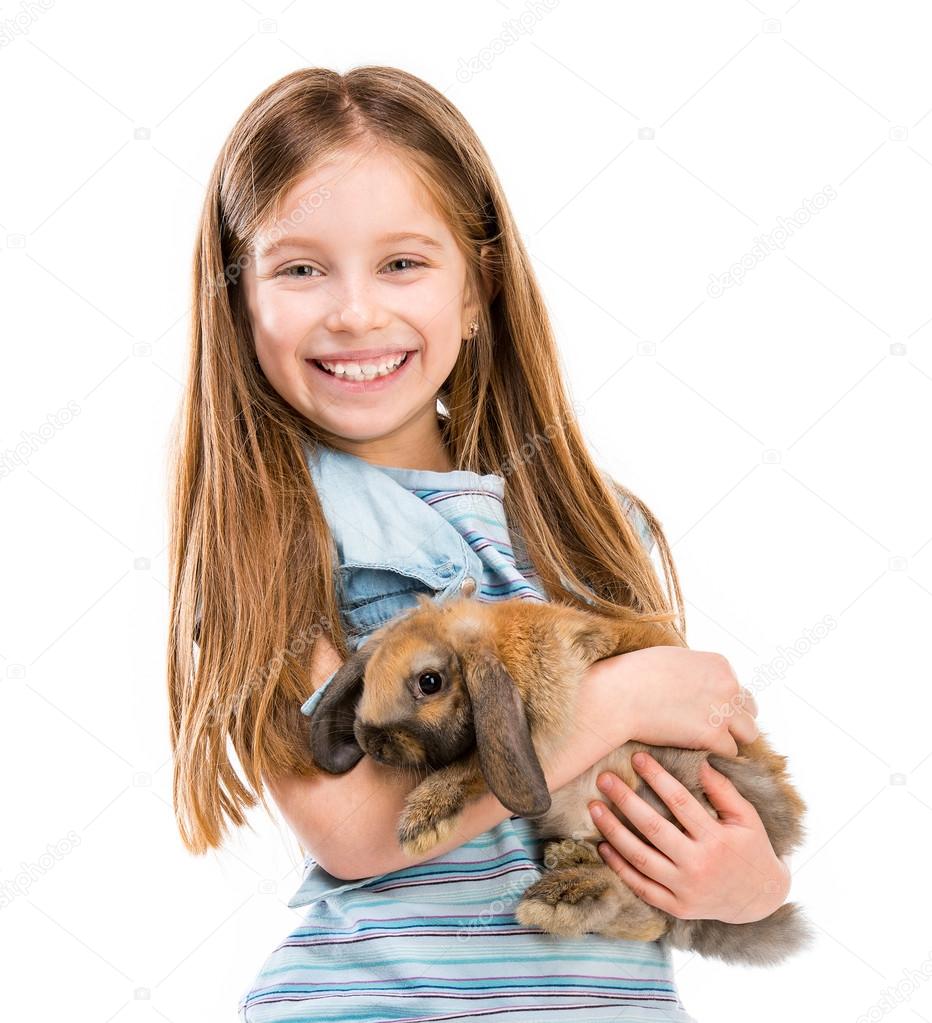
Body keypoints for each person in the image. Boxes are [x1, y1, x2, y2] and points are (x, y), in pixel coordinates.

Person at [166, 65, 789, 1022]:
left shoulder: (586, 519)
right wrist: (619, 694)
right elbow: (357, 831)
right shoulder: (272, 542)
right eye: (300, 268)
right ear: (239, 299)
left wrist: (747, 892)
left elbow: (676, 798)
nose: (355, 310)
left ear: (476, 292)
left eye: (403, 263)